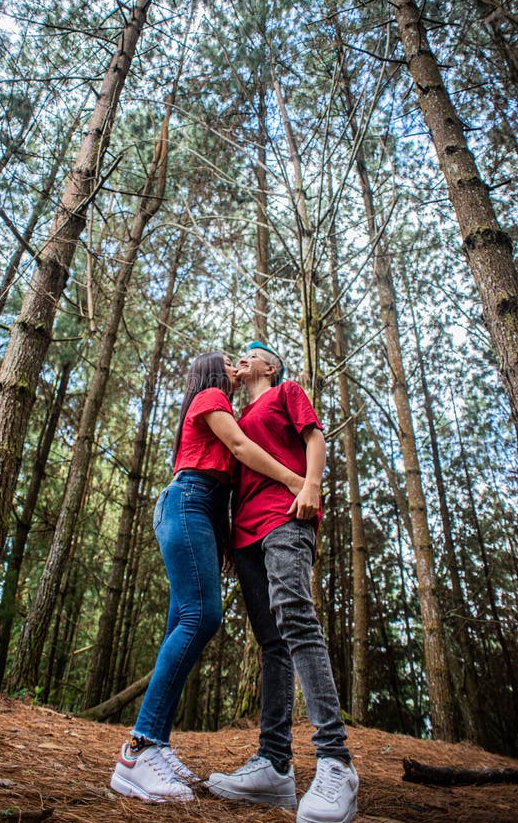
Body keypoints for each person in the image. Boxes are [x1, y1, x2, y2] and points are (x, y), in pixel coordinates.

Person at [110, 351, 306, 804]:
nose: (238, 365)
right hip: (188, 501)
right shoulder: (211, 396)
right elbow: (239, 449)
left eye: (245, 359)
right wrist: (295, 481)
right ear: (215, 372)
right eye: (231, 360)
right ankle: (138, 748)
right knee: (203, 616)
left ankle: (157, 745)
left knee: (181, 623)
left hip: (201, 510)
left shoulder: (224, 405)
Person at [207, 342, 359, 823]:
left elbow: (314, 438)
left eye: (253, 353)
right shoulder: (235, 415)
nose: (243, 357)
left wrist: (311, 484)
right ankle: (274, 766)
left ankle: (336, 761)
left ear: (271, 366)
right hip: (246, 534)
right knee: (271, 644)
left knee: (296, 620)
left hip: (287, 516)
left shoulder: (287, 391)